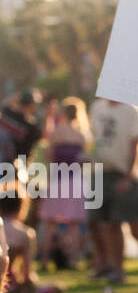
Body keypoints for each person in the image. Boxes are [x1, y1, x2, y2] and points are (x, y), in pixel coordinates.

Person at [86, 98, 138, 283]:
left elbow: (137, 145)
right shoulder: (97, 107)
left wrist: (129, 176)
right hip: (101, 171)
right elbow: (96, 140)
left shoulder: (131, 110)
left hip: (123, 175)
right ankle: (104, 264)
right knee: (94, 220)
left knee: (124, 225)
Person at [37, 97, 93, 271]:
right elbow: (85, 160)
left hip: (57, 179)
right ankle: (73, 260)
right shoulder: (82, 135)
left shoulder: (57, 132)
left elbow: (48, 155)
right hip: (75, 180)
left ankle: (45, 261)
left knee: (50, 222)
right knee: (74, 224)